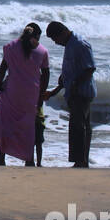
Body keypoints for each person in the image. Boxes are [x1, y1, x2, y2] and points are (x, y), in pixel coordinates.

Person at [0, 23, 49, 166]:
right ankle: (29, 160)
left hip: (12, 91)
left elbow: (4, 66)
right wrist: (41, 93)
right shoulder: (42, 51)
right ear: (37, 36)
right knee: (28, 127)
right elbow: (46, 74)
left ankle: (1, 158)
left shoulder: (11, 47)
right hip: (31, 94)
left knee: (6, 123)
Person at [43, 21, 95, 167]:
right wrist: (53, 92)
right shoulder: (69, 45)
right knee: (77, 127)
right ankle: (80, 160)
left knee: (80, 127)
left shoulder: (80, 44)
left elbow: (90, 69)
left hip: (82, 93)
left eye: (55, 39)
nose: (56, 43)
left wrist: (74, 84)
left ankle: (82, 161)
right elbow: (67, 76)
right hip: (74, 93)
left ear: (62, 33)